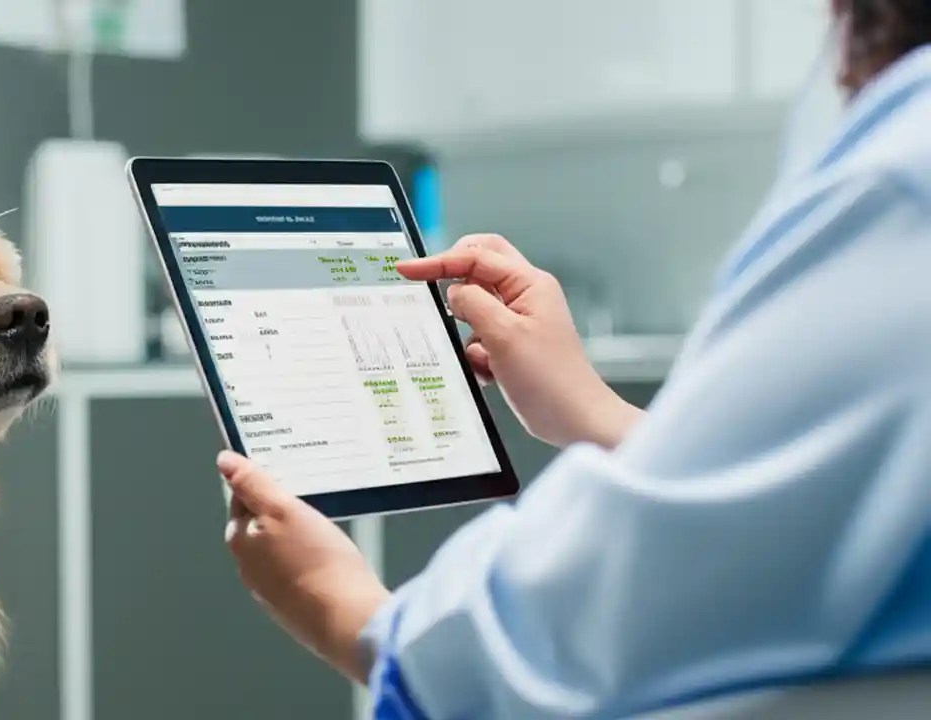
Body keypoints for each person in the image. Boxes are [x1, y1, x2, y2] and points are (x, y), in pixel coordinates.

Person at [216, 1, 931, 717]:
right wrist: (593, 412)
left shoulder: (903, 185)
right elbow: (815, 493)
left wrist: (347, 611)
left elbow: (613, 605)